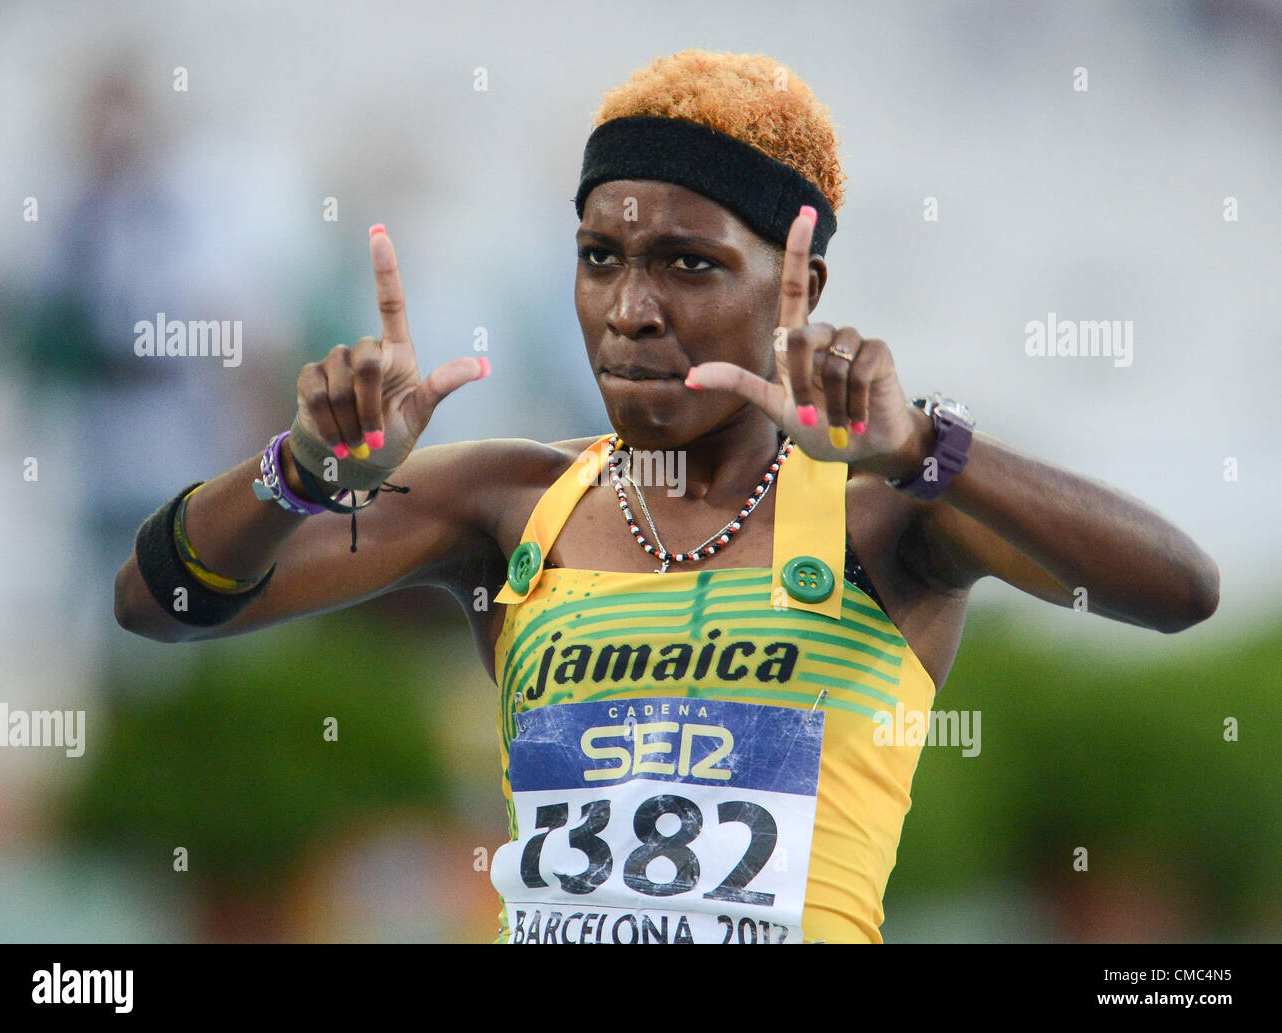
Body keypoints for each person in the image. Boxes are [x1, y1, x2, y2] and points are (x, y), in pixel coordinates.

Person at [114, 50, 1219, 944]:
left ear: (799, 287)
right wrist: (300, 474)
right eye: (600, 257)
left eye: (688, 265)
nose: (629, 309)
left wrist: (929, 445)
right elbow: (163, 600)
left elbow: (1176, 589)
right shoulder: (507, 499)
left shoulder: (888, 511)